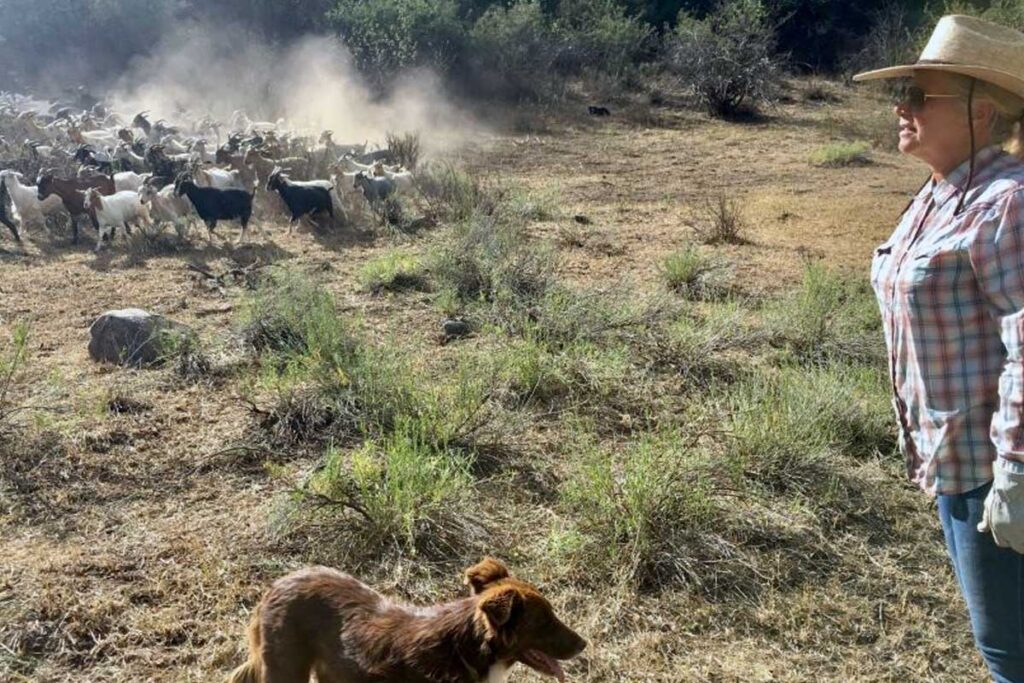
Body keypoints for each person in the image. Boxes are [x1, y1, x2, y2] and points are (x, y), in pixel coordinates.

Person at [855, 15, 1024, 682]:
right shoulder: (939, 194)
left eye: (921, 95)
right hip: (956, 466)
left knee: (1011, 651)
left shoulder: (1007, 201)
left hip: (994, 470)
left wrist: (1016, 464)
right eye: (902, 91)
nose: (901, 106)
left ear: (983, 112)